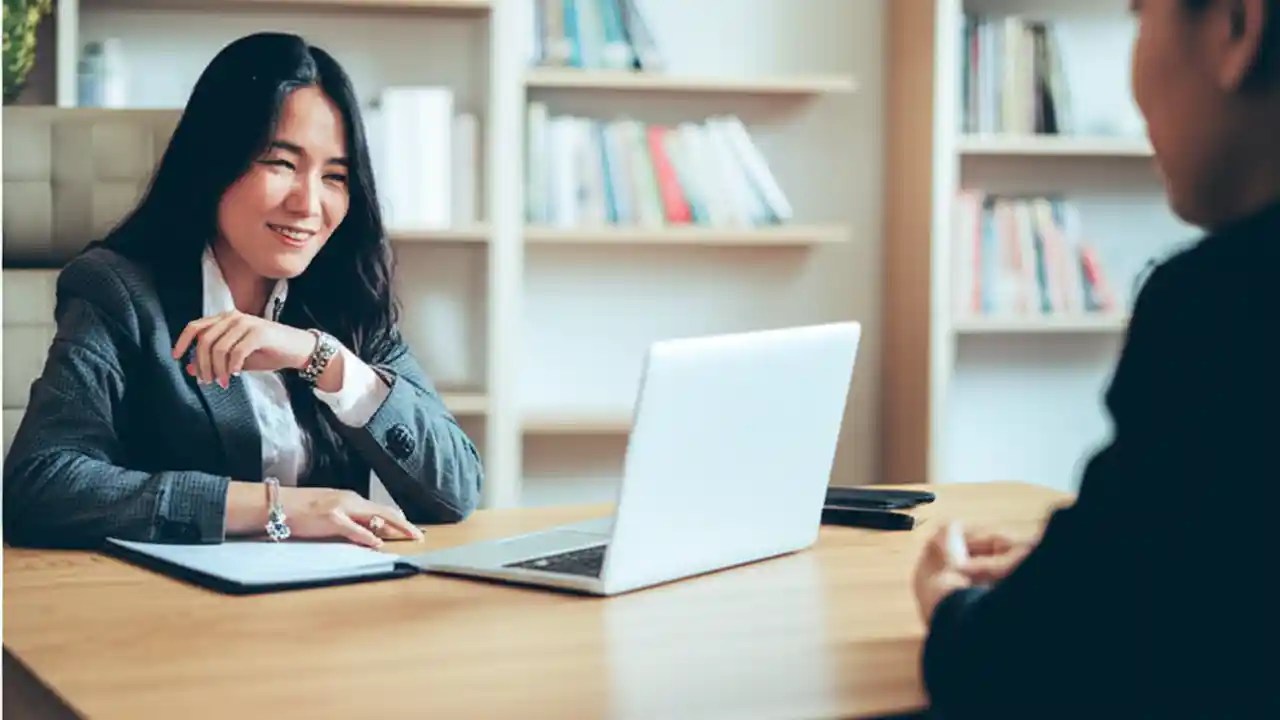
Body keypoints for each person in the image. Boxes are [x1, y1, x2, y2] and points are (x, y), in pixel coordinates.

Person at [913, 0, 1279, 717]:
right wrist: (1086, 573)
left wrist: (950, 605)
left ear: (1237, 27)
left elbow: (1032, 669)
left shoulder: (1222, 305)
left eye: (1139, 17)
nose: (1131, 77)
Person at [2, 32, 483, 550]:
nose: (309, 203)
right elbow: (42, 483)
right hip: (174, 611)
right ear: (216, 160)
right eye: (281, 163)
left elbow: (455, 490)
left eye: (335, 176)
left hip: (332, 607)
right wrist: (279, 508)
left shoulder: (347, 300)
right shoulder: (119, 292)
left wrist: (321, 358)